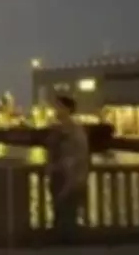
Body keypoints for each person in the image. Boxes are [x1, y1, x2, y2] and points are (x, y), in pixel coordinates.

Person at [46, 95, 90, 238]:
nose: (55, 110)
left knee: (68, 210)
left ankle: (68, 239)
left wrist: (70, 166)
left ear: (68, 109)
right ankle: (60, 237)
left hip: (70, 177)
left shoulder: (76, 130)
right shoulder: (56, 129)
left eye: (59, 107)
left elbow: (81, 153)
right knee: (58, 210)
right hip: (57, 175)